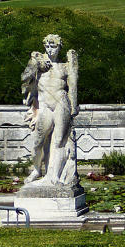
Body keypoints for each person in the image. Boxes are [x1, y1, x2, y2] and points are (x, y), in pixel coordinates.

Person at [21, 34, 79, 189]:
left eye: (53, 46)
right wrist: (34, 64)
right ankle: (36, 170)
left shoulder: (65, 66)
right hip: (44, 104)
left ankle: (53, 176)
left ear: (60, 47)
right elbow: (24, 79)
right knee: (38, 142)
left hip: (61, 102)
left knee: (60, 141)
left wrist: (74, 107)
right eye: (47, 46)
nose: (50, 49)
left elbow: (72, 86)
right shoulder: (40, 63)